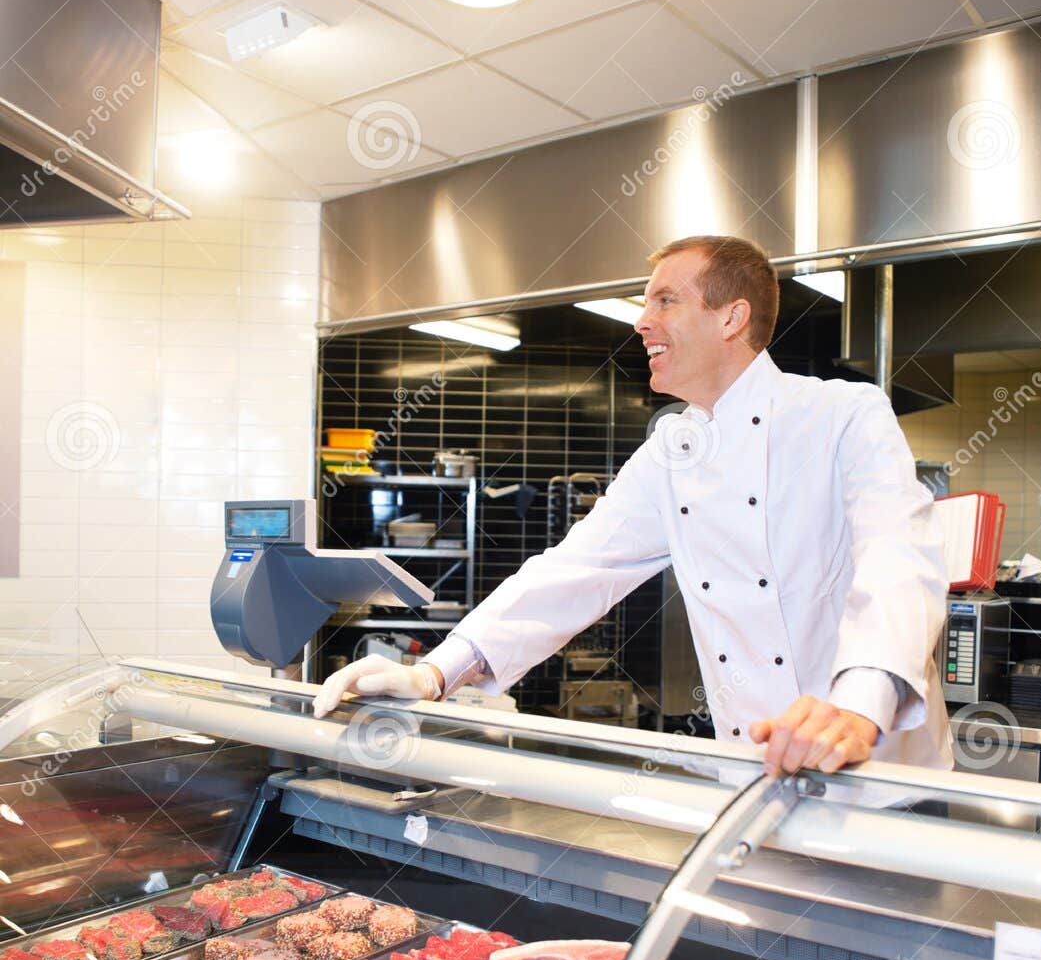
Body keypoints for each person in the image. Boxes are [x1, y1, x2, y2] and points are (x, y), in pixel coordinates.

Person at [315, 235, 950, 775]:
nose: (641, 321)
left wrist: (858, 705)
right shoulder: (672, 450)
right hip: (759, 776)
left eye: (664, 300)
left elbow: (898, 557)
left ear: (731, 318)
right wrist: (437, 674)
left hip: (880, 775)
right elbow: (573, 572)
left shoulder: (841, 415)